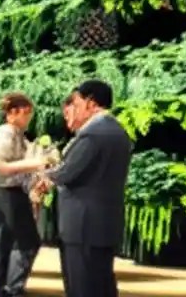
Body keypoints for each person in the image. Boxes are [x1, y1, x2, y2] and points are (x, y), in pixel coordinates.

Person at [45, 80, 133, 297]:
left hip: (82, 225)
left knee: (81, 287)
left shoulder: (91, 134)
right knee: (102, 285)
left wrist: (44, 173)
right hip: (104, 223)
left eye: (76, 102)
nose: (73, 109)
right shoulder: (119, 132)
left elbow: (67, 173)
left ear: (91, 102)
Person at [0, 91, 56, 297]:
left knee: (1, 241)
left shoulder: (16, 136)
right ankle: (12, 288)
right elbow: (1, 167)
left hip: (1, 191)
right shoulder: (5, 135)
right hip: (7, 191)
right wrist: (38, 163)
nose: (29, 117)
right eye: (26, 112)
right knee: (27, 241)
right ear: (12, 113)